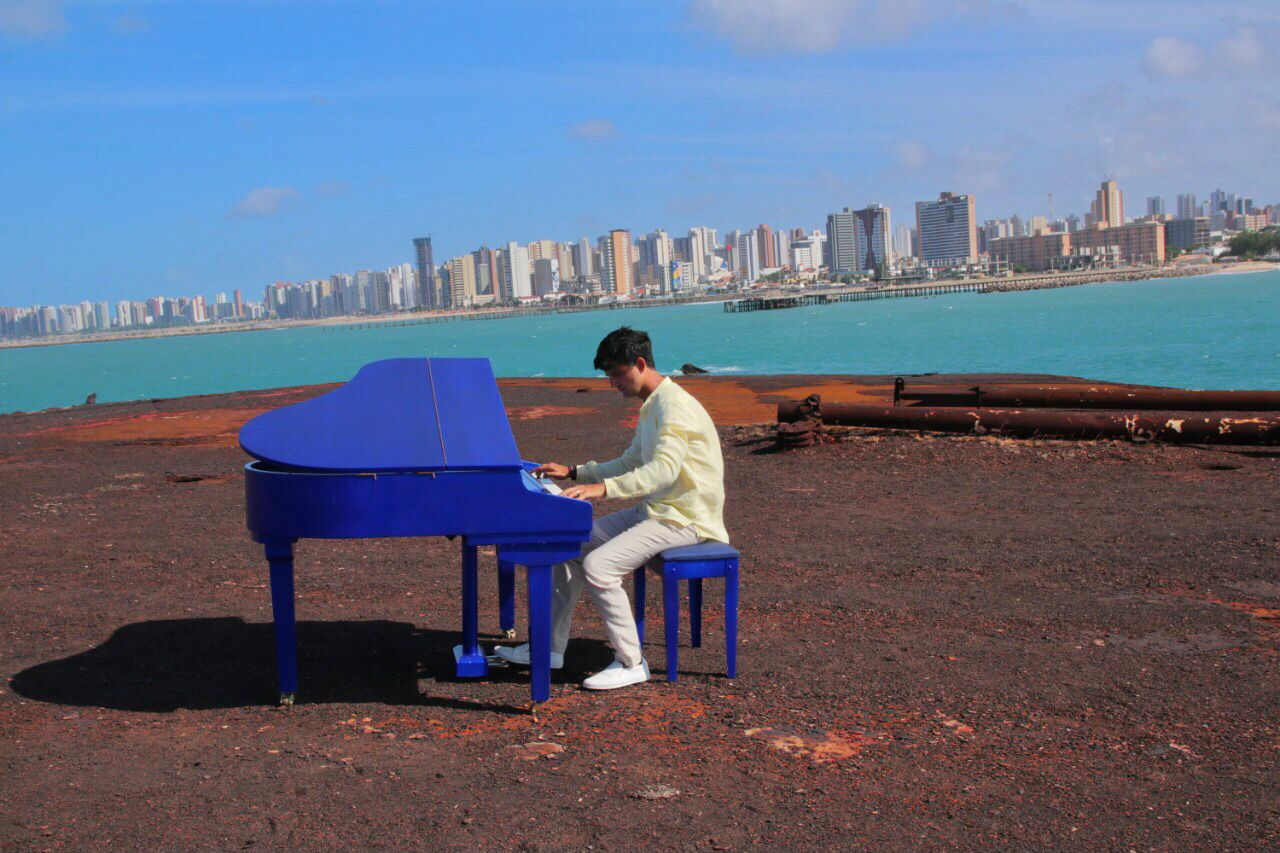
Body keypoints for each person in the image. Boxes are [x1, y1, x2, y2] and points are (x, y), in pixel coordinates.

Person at [494, 326, 728, 690]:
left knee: (599, 566)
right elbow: (632, 460)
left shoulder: (675, 406)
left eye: (618, 374)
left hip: (686, 519)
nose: (613, 384)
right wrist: (575, 472)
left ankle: (632, 662)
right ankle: (550, 649)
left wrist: (602, 489)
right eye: (609, 376)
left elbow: (663, 472)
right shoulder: (654, 404)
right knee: (566, 544)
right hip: (658, 511)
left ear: (640, 363)